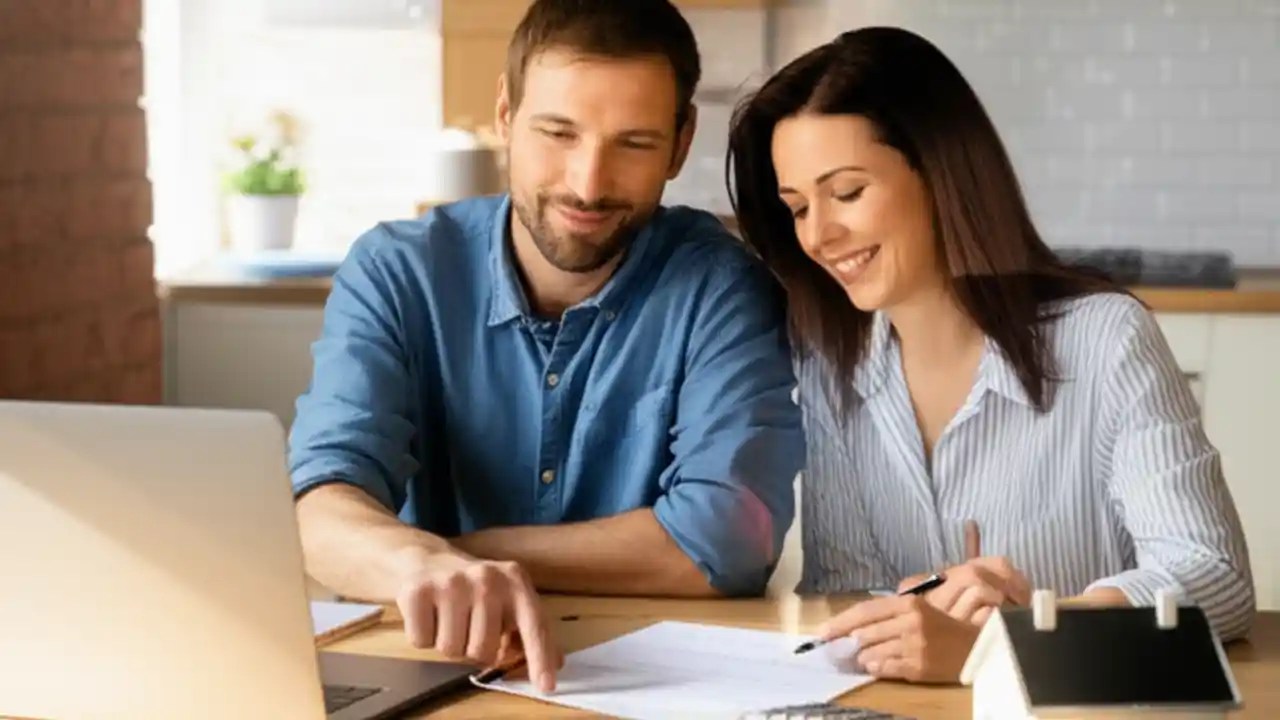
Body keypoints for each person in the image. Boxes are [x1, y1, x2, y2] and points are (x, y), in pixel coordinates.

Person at [289, 0, 803, 694]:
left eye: (634, 143)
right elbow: (321, 505)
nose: (588, 184)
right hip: (433, 670)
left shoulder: (722, 286)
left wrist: (462, 555)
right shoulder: (396, 273)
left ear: (682, 143)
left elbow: (726, 544)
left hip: (648, 687)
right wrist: (421, 567)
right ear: (505, 114)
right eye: (558, 133)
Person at [726, 26, 1254, 683]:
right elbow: (847, 591)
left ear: (942, 173)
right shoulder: (831, 366)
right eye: (798, 207)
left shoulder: (1105, 340)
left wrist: (1018, 641)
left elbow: (1214, 577)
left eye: (849, 193)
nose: (819, 234)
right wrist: (915, 613)